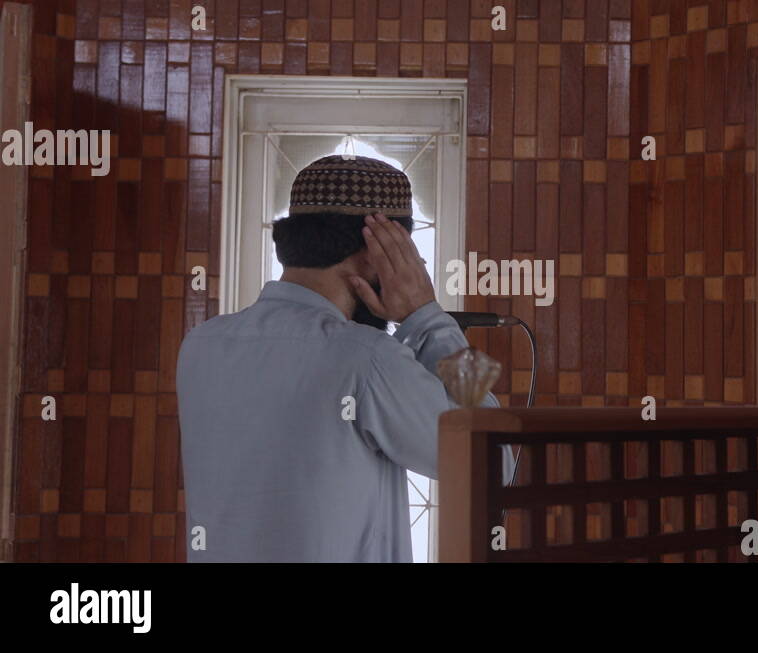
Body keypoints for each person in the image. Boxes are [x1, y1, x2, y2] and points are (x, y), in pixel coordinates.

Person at [177, 155, 510, 562]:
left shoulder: (200, 345)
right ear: (377, 253)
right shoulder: (366, 358)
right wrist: (427, 317)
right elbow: (495, 462)